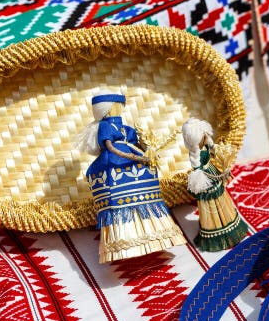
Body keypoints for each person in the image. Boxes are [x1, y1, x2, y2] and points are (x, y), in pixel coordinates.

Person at [80, 94, 186, 263]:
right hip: (116, 161)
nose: (121, 107)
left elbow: (135, 142)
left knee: (145, 178)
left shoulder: (123, 127)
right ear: (110, 107)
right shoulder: (105, 126)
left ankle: (151, 233)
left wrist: (147, 151)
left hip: (130, 155)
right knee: (121, 186)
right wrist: (134, 157)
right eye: (118, 104)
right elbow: (110, 147)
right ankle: (125, 240)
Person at [181, 118, 248, 251]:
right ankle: (214, 227)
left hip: (213, 172)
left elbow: (215, 149)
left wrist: (222, 156)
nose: (205, 137)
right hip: (206, 179)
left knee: (221, 198)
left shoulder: (205, 143)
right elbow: (197, 170)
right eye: (202, 135)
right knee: (210, 203)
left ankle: (227, 221)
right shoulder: (195, 154)